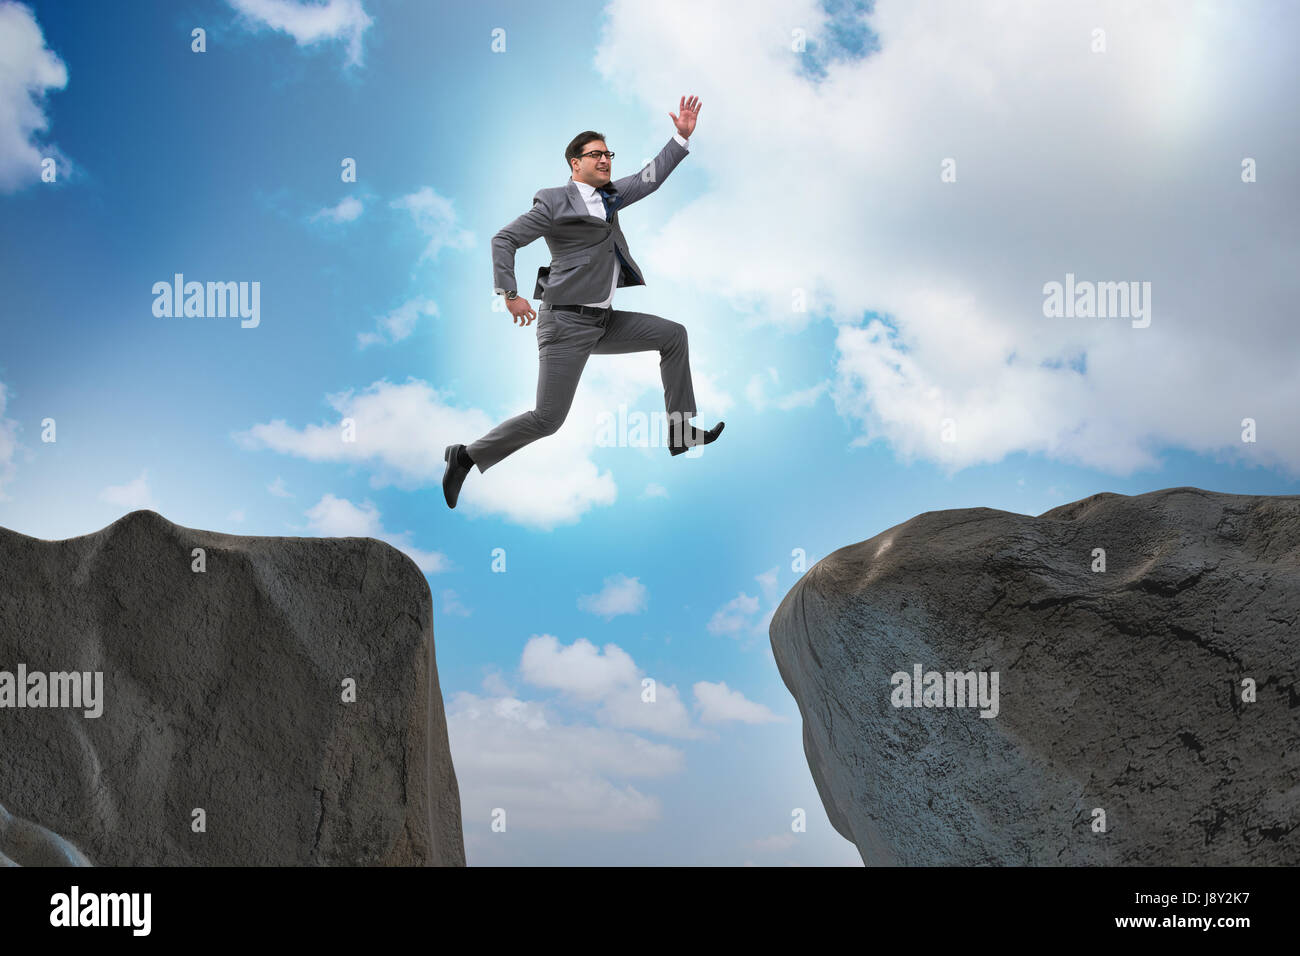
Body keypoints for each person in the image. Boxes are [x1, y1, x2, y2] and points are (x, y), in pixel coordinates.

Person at [442, 94, 724, 508]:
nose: (605, 160)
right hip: (564, 326)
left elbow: (650, 177)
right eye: (596, 155)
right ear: (575, 163)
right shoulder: (554, 202)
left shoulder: (612, 196)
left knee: (673, 336)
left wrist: (679, 138)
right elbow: (504, 239)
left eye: (608, 154)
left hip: (603, 322)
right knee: (547, 420)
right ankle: (466, 456)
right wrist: (510, 293)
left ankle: (681, 432)